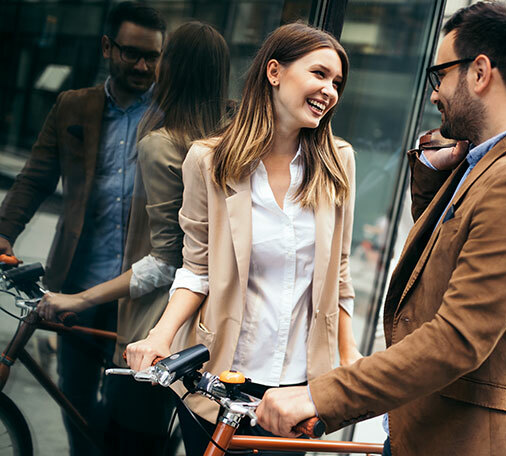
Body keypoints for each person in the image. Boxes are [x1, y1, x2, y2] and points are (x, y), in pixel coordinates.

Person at [256, 3, 506, 456]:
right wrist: (431, 170)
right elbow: (440, 259)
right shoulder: (488, 162)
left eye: (440, 75)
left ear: (480, 72)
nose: (434, 94)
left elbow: (458, 338)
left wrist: (318, 395)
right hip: (423, 427)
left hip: (463, 442)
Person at [126, 22, 361, 456]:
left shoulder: (338, 162)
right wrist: (160, 335)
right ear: (274, 72)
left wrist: (349, 361)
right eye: (319, 74)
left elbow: (340, 273)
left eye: (337, 82)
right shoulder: (208, 161)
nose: (330, 90)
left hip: (297, 389)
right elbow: (196, 268)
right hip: (223, 377)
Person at [37, 21, 231, 454]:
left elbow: (166, 261)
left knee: (128, 441)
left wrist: (78, 299)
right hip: (215, 327)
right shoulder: (231, 139)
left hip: (158, 326)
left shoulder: (162, 144)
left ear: (171, 69)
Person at [0, 3, 165, 454]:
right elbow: (35, 176)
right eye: (132, 53)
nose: (143, 65)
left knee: (128, 407)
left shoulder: (172, 115)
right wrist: (4, 232)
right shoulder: (75, 105)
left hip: (142, 296)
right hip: (76, 282)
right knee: (72, 395)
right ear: (107, 48)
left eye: (152, 56)